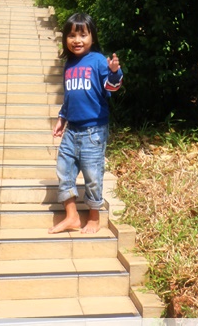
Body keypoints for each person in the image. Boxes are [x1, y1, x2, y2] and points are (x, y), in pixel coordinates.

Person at [49, 12, 122, 235]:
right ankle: (71, 216)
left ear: (92, 37)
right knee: (64, 170)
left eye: (83, 35)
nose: (77, 40)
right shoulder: (69, 64)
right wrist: (62, 118)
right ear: (65, 39)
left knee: (92, 176)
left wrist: (114, 72)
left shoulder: (98, 60)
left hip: (94, 131)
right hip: (71, 130)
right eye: (72, 35)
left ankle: (93, 217)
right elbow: (69, 96)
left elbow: (111, 87)